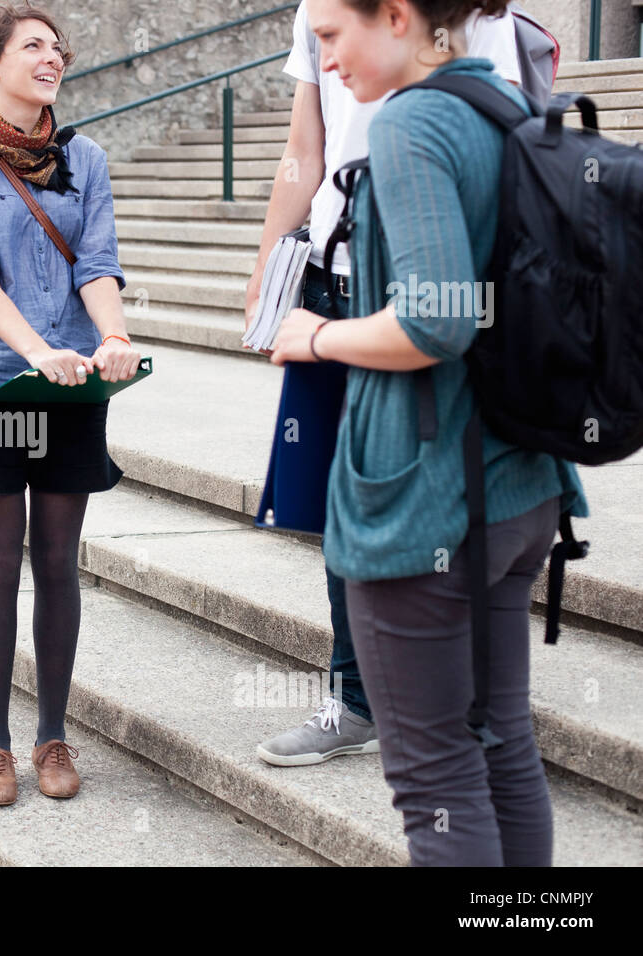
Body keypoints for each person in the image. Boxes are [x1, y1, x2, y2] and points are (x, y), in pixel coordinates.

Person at [269, 0, 588, 865]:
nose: (324, 61)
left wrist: (316, 335)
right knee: (502, 749)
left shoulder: (412, 124)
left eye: (332, 35)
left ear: (400, 17)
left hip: (429, 498)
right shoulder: (508, 107)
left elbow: (435, 323)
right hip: (520, 483)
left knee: (435, 778)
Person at [248, 0, 522, 767]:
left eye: (339, 41)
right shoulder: (320, 7)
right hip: (335, 270)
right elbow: (308, 142)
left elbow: (501, 130)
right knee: (347, 493)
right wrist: (271, 262)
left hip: (418, 270)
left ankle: (464, 698)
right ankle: (359, 697)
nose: (332, 53)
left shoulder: (462, 12)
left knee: (446, 484)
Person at [0, 4, 141, 806]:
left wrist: (111, 337)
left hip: (73, 380)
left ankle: (52, 736)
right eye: (33, 47)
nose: (52, 58)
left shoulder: (86, 157)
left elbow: (98, 262)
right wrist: (34, 350)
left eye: (57, 47)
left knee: (57, 559)